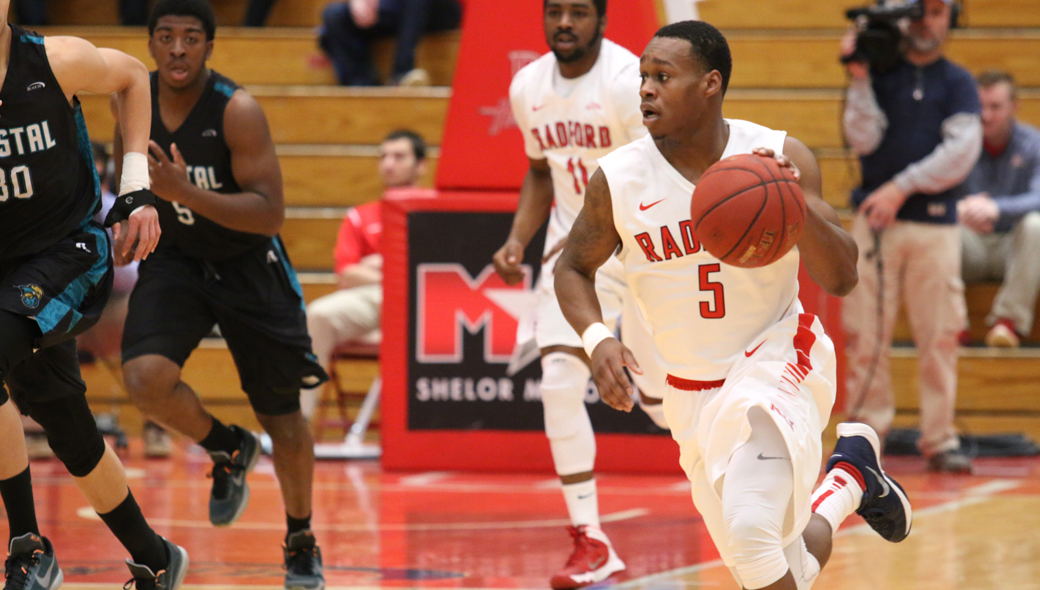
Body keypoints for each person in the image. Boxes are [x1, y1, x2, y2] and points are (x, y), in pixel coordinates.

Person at [556, 20, 913, 590]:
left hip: (776, 359)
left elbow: (842, 277)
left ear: (710, 84)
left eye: (663, 76)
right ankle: (848, 480)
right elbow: (572, 268)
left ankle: (844, 479)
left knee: (751, 533)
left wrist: (794, 205)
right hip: (690, 393)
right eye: (643, 76)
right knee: (773, 566)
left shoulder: (777, 154)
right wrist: (598, 341)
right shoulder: (618, 179)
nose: (645, 88)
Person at [114, 2, 327, 589]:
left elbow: (269, 214)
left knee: (281, 415)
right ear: (151, 44)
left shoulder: (238, 109)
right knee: (145, 379)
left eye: (190, 38)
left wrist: (186, 192)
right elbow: (129, 184)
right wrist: (124, 227)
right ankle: (227, 447)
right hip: (177, 261)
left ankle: (301, 538)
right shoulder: (132, 101)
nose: (177, 49)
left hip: (247, 265)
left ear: (209, 47)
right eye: (166, 37)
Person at [0, 7, 190, 590]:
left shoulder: (55, 60)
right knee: (68, 427)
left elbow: (133, 76)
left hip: (70, 253)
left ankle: (28, 547)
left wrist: (135, 189)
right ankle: (157, 557)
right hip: (6, 275)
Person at [491, 1, 669, 587]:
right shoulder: (527, 87)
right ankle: (592, 540)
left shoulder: (624, 82)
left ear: (602, 20)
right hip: (575, 260)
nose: (565, 23)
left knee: (662, 403)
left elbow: (659, 167)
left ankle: (741, 479)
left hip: (641, 249)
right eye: (555, 12)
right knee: (558, 383)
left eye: (579, 12)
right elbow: (540, 171)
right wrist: (518, 239)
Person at [840, 0, 981, 473]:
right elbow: (862, 139)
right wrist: (860, 79)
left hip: (935, 225)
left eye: (937, 11)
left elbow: (961, 153)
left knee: (940, 337)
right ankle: (864, 440)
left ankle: (939, 438)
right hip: (875, 224)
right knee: (865, 336)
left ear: (951, 18)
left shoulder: (958, 83)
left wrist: (900, 188)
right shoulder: (879, 74)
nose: (925, 20)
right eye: (918, 9)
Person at [302, 130, 426, 420]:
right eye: (384, 157)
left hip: (424, 300)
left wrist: (378, 264)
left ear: (420, 165)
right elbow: (346, 275)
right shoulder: (360, 216)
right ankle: (298, 422)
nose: (388, 164)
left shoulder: (434, 213)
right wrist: (397, 268)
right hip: (374, 299)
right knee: (318, 315)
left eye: (399, 156)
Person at [959, 70, 1040, 348]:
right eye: (980, 106)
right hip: (970, 246)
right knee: (937, 226)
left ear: (1014, 107)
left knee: (1036, 225)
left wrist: (996, 208)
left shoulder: (1033, 143)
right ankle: (953, 326)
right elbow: (932, 193)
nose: (986, 115)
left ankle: (1007, 323)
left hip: (1015, 249)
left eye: (995, 107)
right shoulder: (958, 144)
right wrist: (959, 209)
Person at [318, 0, 463, 86]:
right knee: (334, 14)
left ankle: (402, 74)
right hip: (396, 8)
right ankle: (362, 86)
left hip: (438, 9)